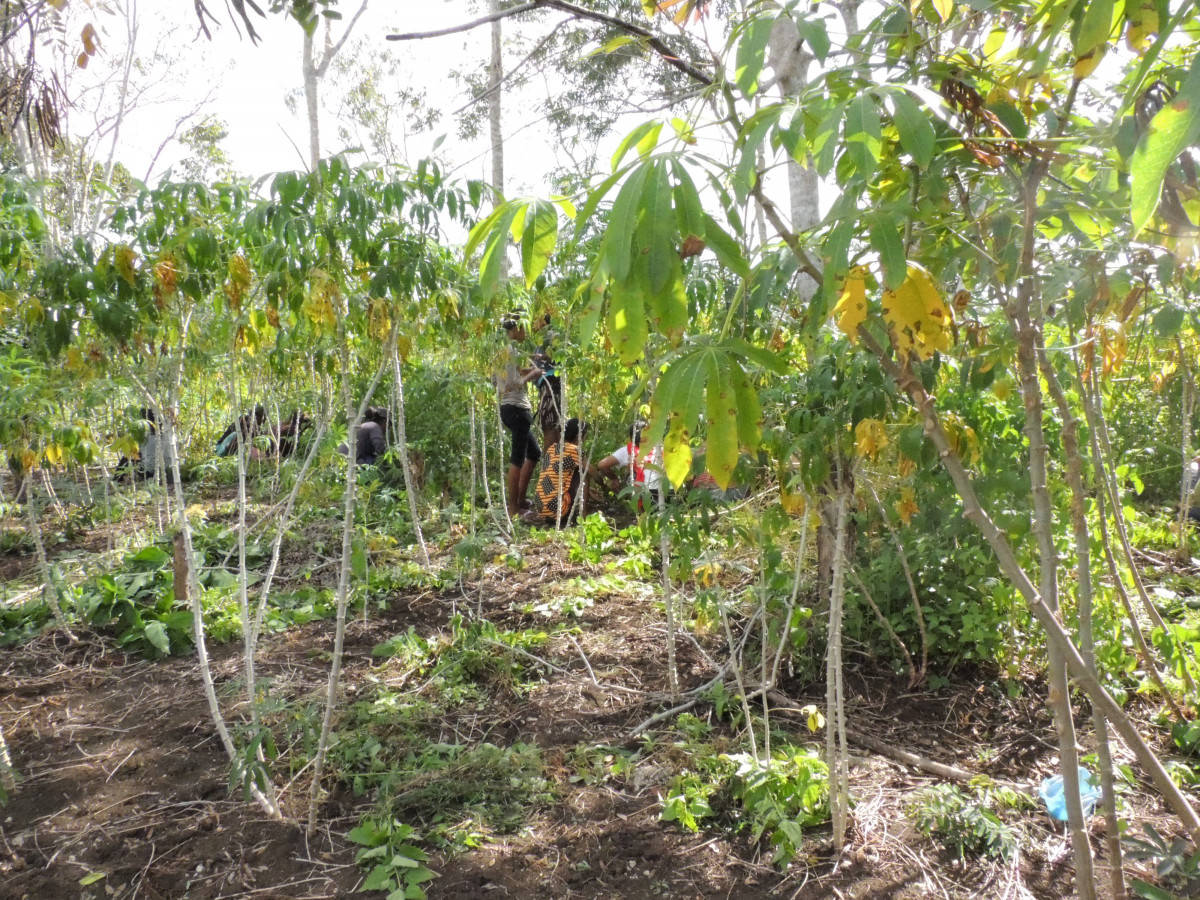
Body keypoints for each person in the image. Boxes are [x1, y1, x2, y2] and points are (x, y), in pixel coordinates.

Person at [496, 315, 544, 515]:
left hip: (510, 408)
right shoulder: (510, 350)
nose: (525, 332)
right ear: (515, 329)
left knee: (533, 453)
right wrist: (533, 374)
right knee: (517, 459)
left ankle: (521, 499)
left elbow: (506, 375)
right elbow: (513, 383)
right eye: (523, 327)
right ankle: (514, 508)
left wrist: (531, 365)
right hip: (516, 408)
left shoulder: (503, 351)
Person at [523, 418, 586, 526]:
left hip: (540, 505)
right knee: (583, 472)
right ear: (579, 436)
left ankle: (554, 513)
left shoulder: (552, 448)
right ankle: (583, 513)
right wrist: (603, 484)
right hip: (557, 509)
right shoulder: (575, 450)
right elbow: (591, 471)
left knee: (573, 470)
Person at [596, 422, 661, 507]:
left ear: (631, 437)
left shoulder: (628, 450)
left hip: (642, 490)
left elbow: (601, 465)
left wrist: (614, 478)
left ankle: (640, 510)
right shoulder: (659, 448)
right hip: (664, 489)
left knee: (630, 473)